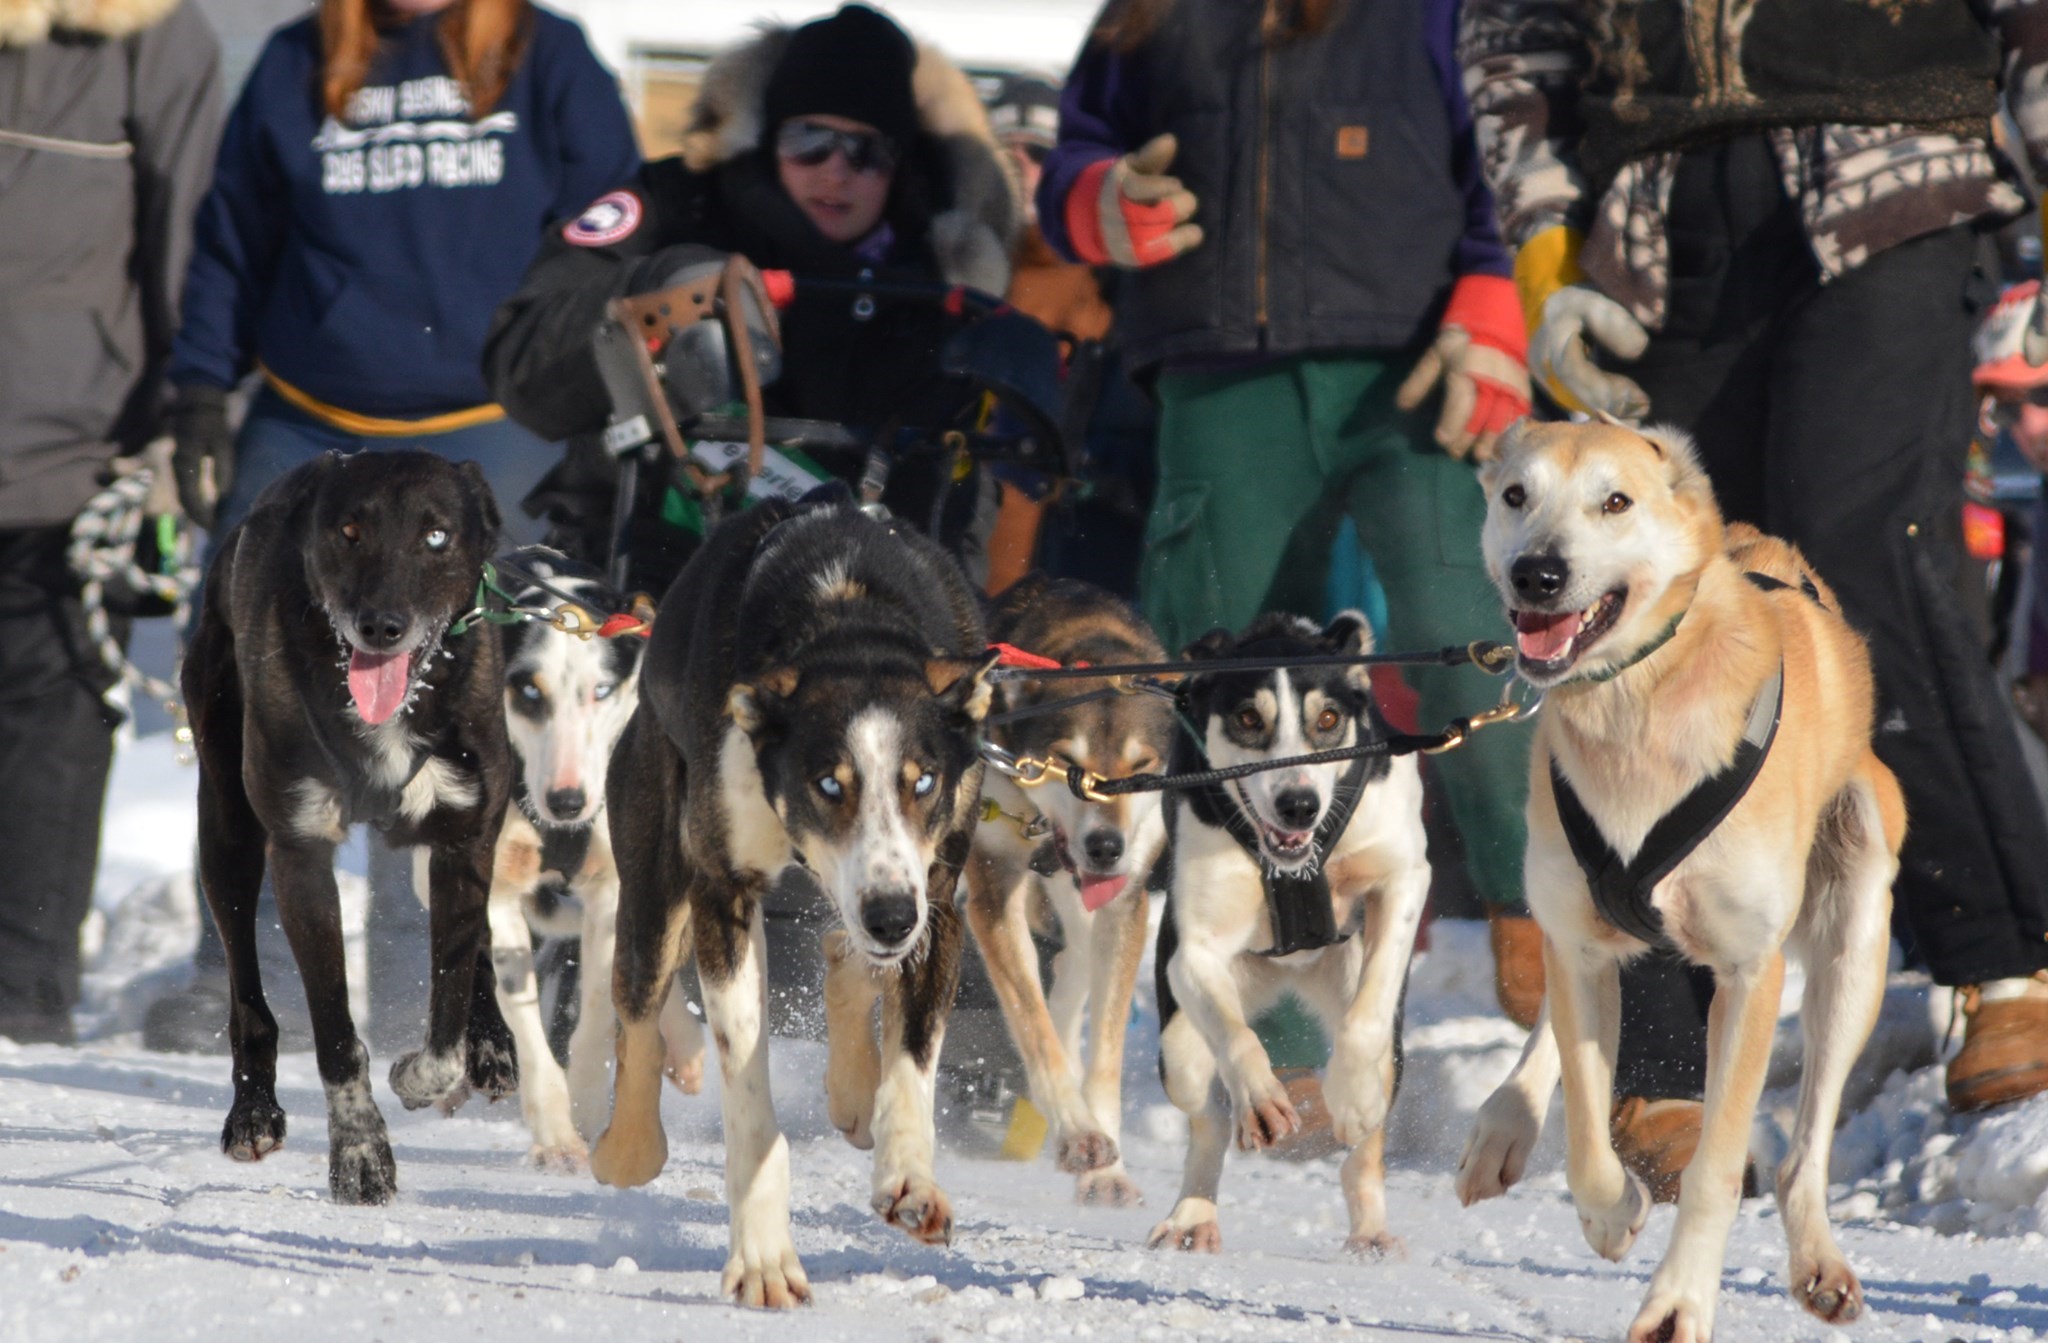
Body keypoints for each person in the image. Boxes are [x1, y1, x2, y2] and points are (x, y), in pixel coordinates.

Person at [1461, 0, 2048, 1193]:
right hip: (1654, 201)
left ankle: (2004, 969)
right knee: (1662, 595)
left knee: (1855, 543)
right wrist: (1543, 249)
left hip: (1893, 163)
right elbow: (1511, 32)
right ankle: (1662, 1054)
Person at [1036, 0, 1540, 1147]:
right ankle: (1279, 1049)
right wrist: (1096, 200)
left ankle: (1529, 905)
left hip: (1420, 360)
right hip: (1218, 371)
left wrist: (1494, 284)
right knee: (1218, 699)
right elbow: (1072, 151)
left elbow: (1514, 150)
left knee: (1471, 640)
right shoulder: (1146, 17)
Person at [143, 0, 641, 1054]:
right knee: (249, 687)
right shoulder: (297, 58)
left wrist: (581, 384)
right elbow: (232, 235)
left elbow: (610, 226)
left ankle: (440, 986)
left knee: (459, 705)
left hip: (489, 425)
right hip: (309, 425)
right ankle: (243, 970)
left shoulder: (546, 56)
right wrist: (196, 393)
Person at [485, 2, 1023, 597]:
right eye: (810, 141)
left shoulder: (939, 282)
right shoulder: (674, 209)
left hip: (845, 603)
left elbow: (959, 500)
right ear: (769, 137)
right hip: (635, 568)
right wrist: (655, 293)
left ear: (901, 164)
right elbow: (520, 366)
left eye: (866, 151)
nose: (836, 172)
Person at [0, 0, 222, 1044]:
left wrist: (189, 411)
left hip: (74, 451)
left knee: (54, 727)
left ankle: (24, 992)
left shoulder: (153, 36)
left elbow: (190, 228)